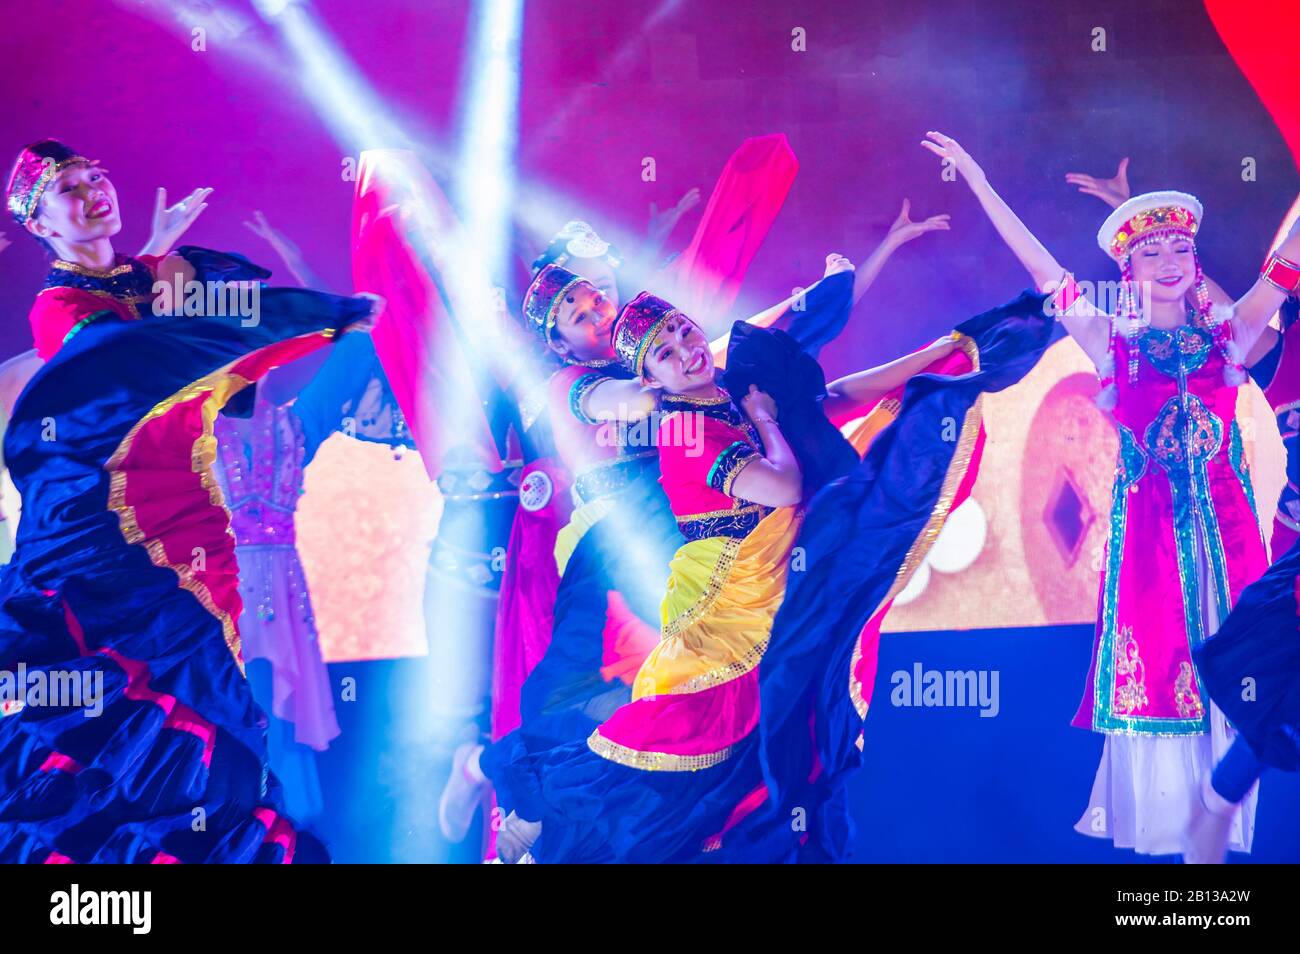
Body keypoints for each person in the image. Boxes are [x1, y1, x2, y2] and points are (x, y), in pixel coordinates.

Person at [923, 128, 1300, 855]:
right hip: (1152, 554)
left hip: (1231, 543)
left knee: (1244, 705)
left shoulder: (1228, 339)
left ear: (1196, 263)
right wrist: (974, 175)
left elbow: (1284, 268)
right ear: (1125, 269)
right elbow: (1038, 263)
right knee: (1167, 703)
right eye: (1149, 252)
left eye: (1180, 250)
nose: (1168, 262)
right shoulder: (1111, 347)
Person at [0, 138, 378, 862]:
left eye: (96, 176)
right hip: (109, 540)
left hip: (194, 524)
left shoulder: (153, 278)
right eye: (69, 190)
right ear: (40, 225)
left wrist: (161, 268)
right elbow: (141, 366)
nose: (92, 193)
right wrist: (313, 315)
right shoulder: (59, 307)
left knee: (220, 720)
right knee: (176, 724)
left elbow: (209, 354)